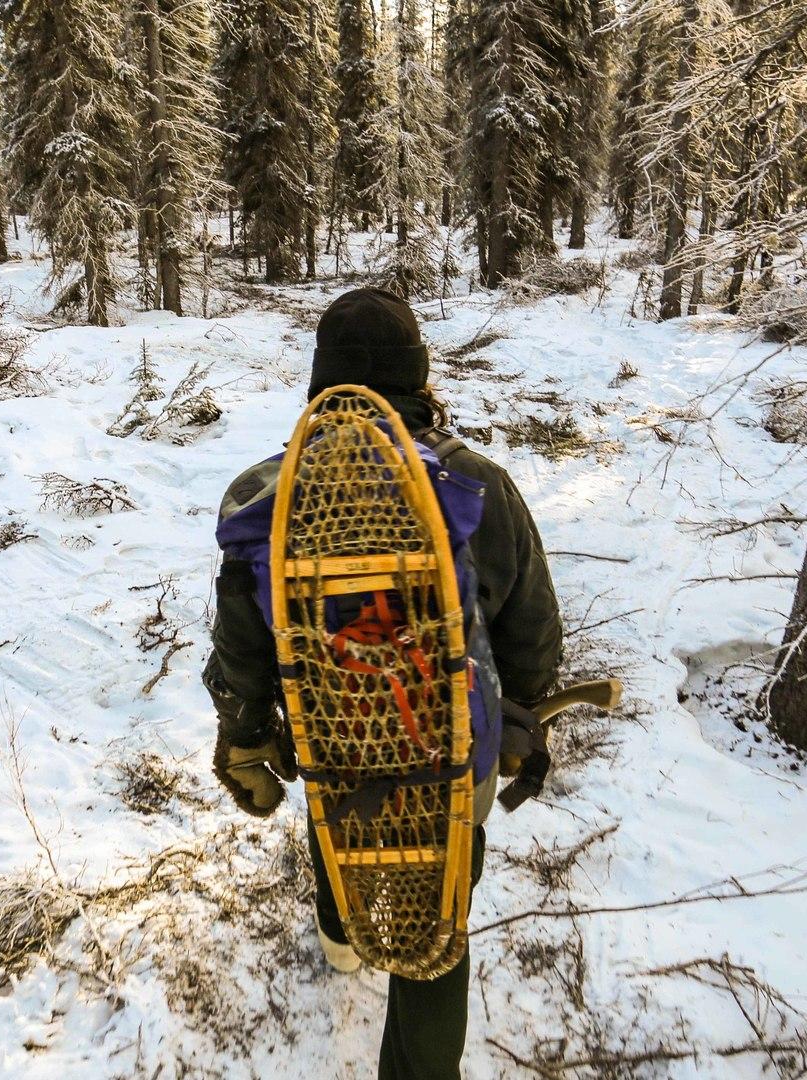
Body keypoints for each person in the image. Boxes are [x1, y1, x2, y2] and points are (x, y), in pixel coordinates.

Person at [202, 287, 563, 1079]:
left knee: (339, 821)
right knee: (438, 931)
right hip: (449, 747)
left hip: (333, 743)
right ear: (421, 375)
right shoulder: (479, 484)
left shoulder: (270, 494)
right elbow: (531, 623)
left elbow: (243, 640)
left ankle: (340, 929)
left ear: (321, 380)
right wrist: (527, 712)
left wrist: (248, 726)